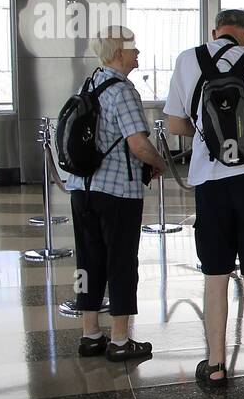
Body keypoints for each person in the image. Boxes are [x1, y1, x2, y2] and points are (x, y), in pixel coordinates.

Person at [163, 9, 244, 388]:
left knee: (215, 274)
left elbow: (173, 124)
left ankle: (216, 365)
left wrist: (205, 133)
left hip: (211, 183)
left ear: (215, 30)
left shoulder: (189, 60)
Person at [66, 26, 168, 360]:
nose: (137, 53)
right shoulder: (123, 90)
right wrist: (159, 163)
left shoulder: (88, 83)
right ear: (118, 53)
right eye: (133, 48)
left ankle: (90, 333)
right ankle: (121, 340)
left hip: (81, 188)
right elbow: (137, 143)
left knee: (88, 260)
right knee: (121, 261)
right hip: (117, 192)